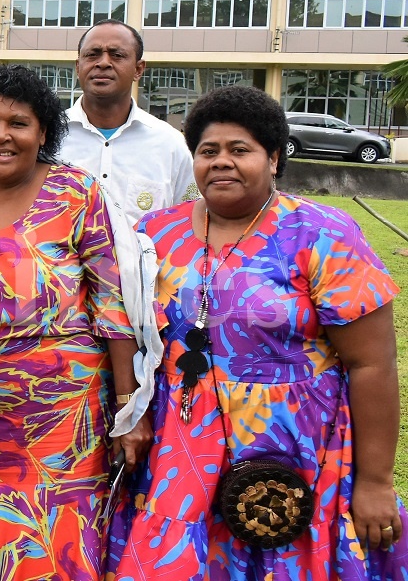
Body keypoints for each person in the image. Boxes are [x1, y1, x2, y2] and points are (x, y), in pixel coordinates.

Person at [107, 85, 408, 577]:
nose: (221, 162)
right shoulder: (156, 233)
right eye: (208, 151)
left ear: (273, 158)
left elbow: (372, 364)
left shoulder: (322, 233)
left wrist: (375, 481)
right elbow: (124, 330)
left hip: (294, 445)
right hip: (179, 440)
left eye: (239, 149)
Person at [0, 64, 148, 579]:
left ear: (43, 132)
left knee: (53, 552)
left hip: (66, 424)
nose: (1, 135)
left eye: (18, 123)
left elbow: (111, 306)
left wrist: (128, 407)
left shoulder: (75, 192)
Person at [58, 19, 197, 227]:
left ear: (138, 69)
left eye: (117, 55)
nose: (103, 62)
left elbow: (190, 218)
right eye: (92, 54)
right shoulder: (49, 137)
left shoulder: (171, 145)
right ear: (78, 67)